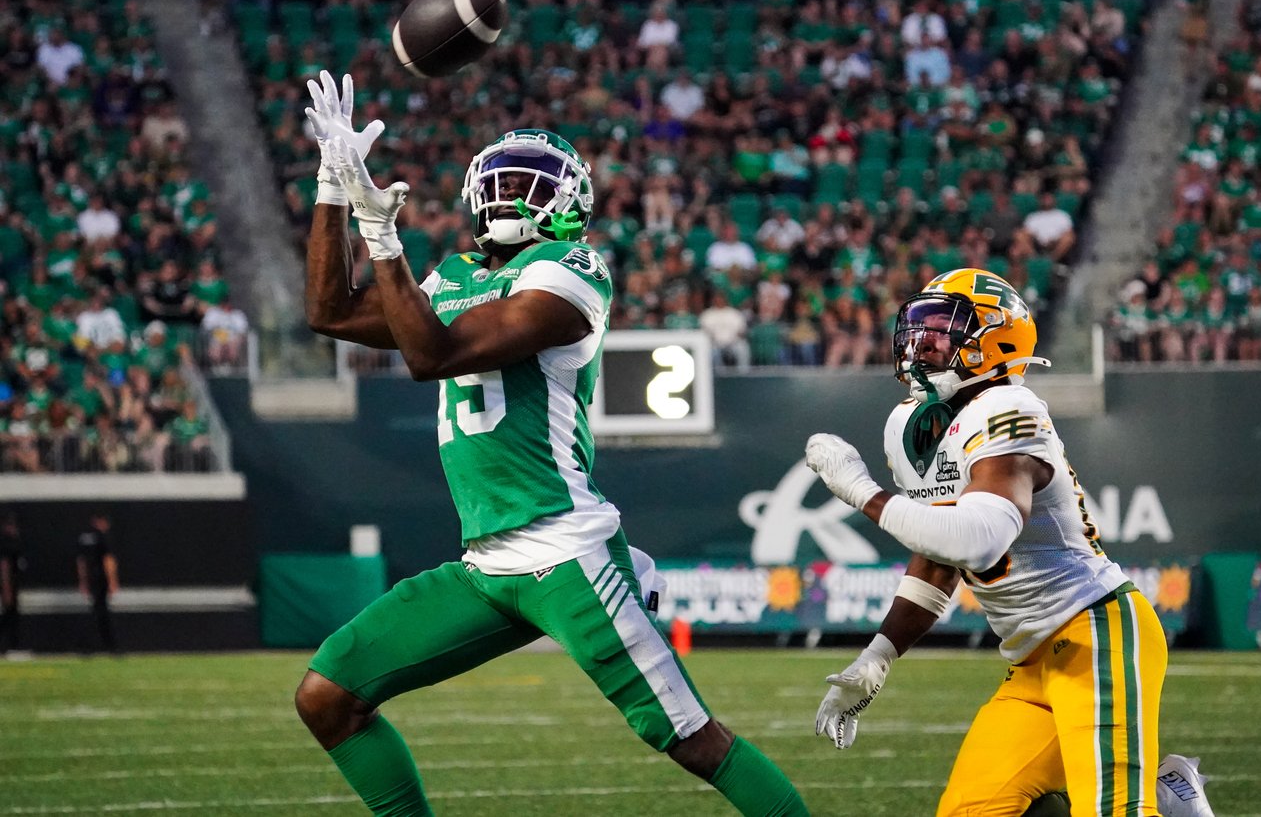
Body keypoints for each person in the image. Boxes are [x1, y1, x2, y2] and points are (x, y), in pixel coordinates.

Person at [294, 72, 807, 817]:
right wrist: (333, 186)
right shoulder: (459, 273)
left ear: (570, 203)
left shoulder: (573, 272)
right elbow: (329, 310)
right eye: (500, 182)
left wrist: (381, 236)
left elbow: (430, 356)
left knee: (693, 738)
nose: (510, 198)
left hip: (567, 552)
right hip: (484, 567)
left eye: (530, 185)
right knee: (328, 697)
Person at [803, 269, 1212, 816]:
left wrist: (860, 493)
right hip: (1031, 658)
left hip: (1096, 635)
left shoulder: (1008, 409)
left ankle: (1168, 798)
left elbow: (978, 540)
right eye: (919, 328)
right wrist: (879, 656)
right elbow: (940, 558)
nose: (922, 343)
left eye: (943, 329)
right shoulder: (911, 425)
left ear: (995, 338)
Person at [75, 513, 119, 653]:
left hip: (91, 578)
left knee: (95, 611)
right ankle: (107, 645)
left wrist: (83, 581)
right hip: (101, 578)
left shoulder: (84, 538)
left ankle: (91, 645)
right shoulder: (102, 536)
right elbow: (108, 560)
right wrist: (112, 581)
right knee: (102, 612)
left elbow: (81, 562)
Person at [0, 512, 26, 653]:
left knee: (12, 614)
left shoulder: (15, 543)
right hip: (8, 585)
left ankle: (13, 645)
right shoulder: (6, 544)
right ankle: (10, 645)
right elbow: (4, 567)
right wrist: (7, 588)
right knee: (9, 614)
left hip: (14, 584)